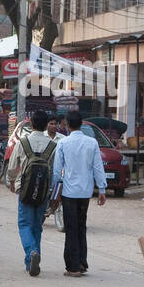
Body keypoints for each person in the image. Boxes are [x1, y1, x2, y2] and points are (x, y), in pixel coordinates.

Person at [50, 110, 105, 277]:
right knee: (81, 225)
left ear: (66, 125)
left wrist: (54, 192)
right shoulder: (92, 143)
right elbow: (97, 167)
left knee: (71, 227)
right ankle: (82, 262)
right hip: (85, 191)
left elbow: (57, 171)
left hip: (68, 191)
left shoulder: (63, 143)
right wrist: (102, 189)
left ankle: (73, 266)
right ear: (82, 124)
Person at [6, 110, 60, 276]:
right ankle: (31, 262)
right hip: (43, 190)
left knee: (24, 224)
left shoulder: (22, 142)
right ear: (45, 125)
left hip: (25, 188)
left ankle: (31, 253)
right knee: (37, 226)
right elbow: (56, 172)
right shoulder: (52, 145)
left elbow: (12, 167)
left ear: (31, 124)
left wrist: (11, 181)